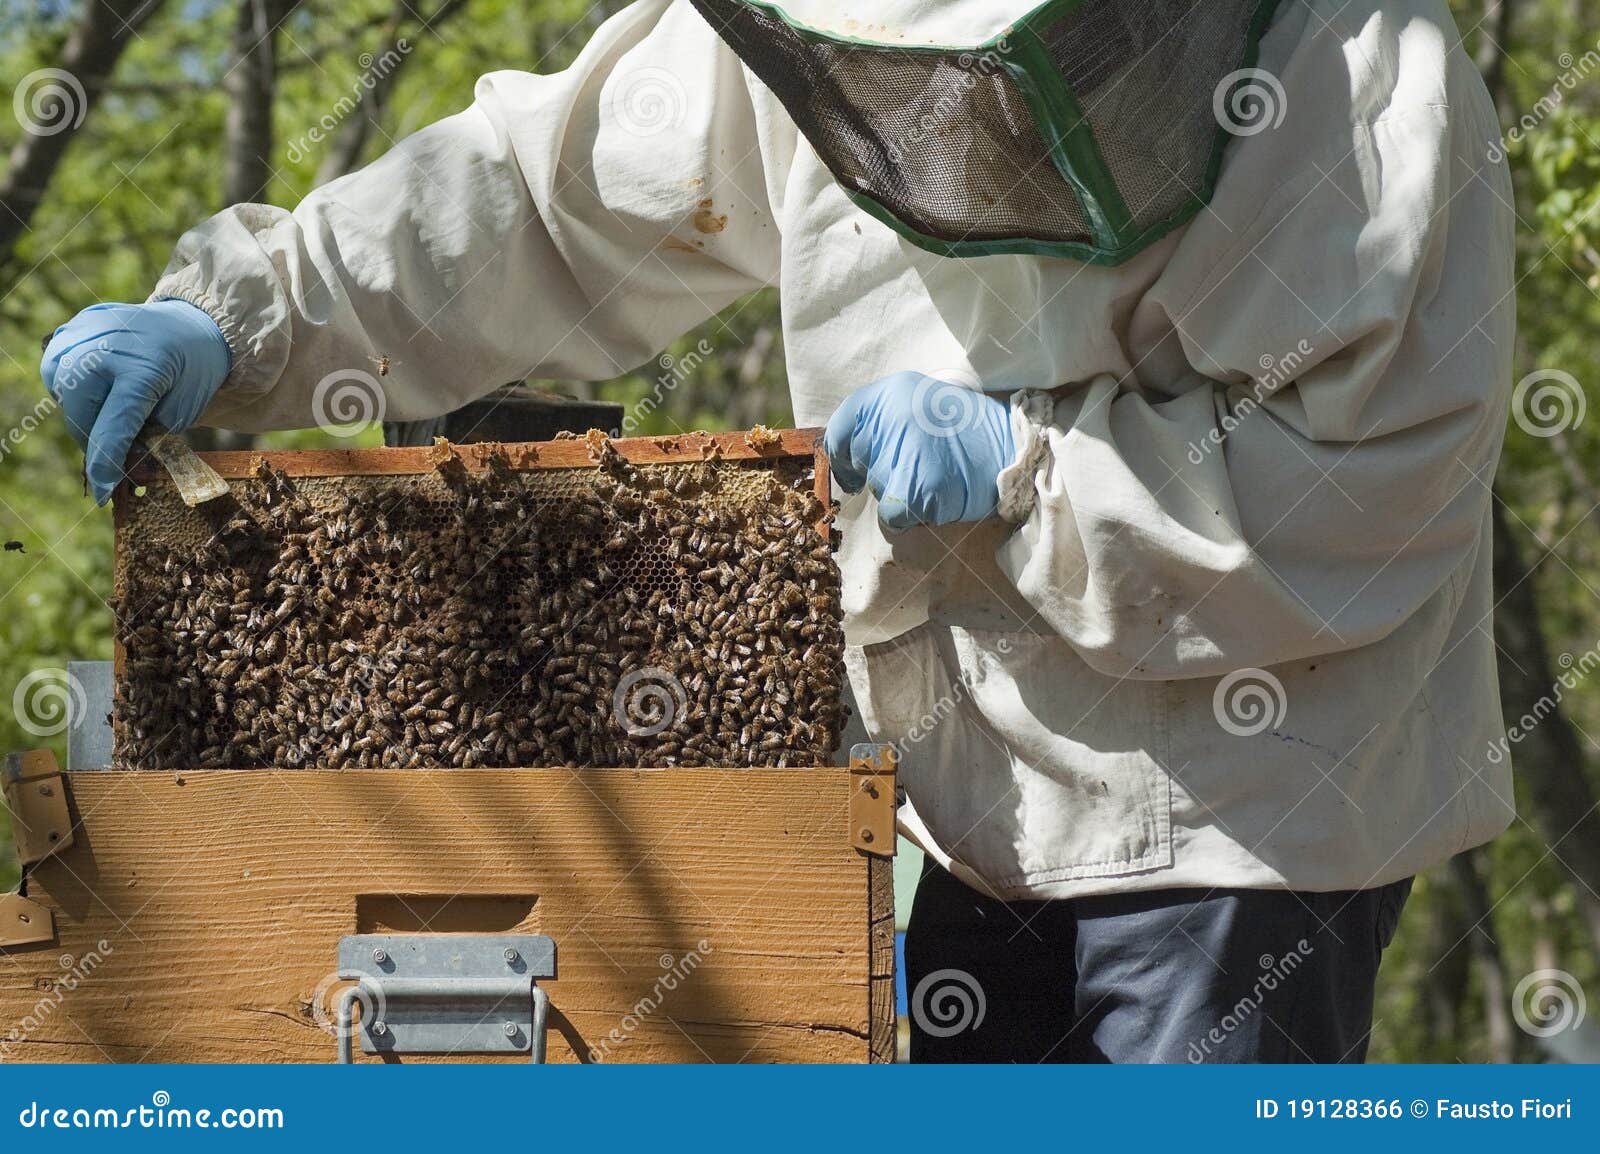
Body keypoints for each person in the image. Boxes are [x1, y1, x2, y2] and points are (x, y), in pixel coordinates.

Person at [41, 0, 1514, 1062]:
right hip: (967, 806)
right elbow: (537, 206)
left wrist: (1033, 473)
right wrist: (245, 317)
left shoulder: (1353, 60)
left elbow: (1371, 490)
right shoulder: (818, 24)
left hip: (1241, 815)